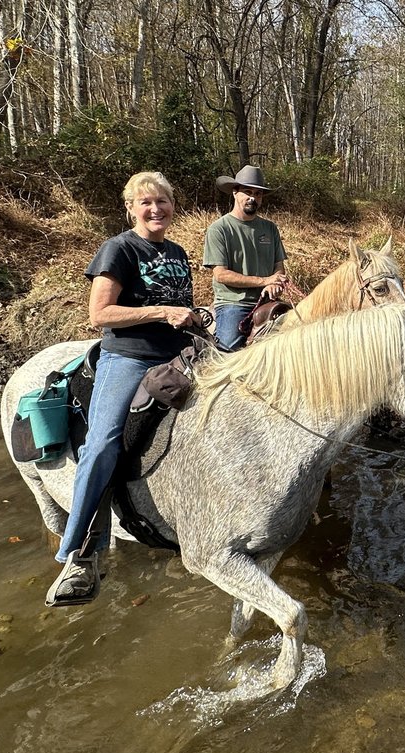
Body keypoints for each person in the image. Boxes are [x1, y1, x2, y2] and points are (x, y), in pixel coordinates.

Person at [46, 172, 198, 606]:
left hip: (180, 353)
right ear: (131, 208)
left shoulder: (176, 251)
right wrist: (160, 310)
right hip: (129, 356)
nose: (156, 210)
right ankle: (78, 553)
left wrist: (189, 319)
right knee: (104, 441)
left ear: (172, 206)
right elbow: (101, 314)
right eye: (146, 203)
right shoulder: (119, 248)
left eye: (163, 202)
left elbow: (179, 307)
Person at [203, 165, 288, 350]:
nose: (253, 198)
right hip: (234, 303)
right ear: (235, 192)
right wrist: (265, 281)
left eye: (258, 194)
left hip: (268, 301)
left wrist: (275, 283)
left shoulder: (270, 228)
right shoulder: (219, 229)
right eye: (247, 192)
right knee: (228, 350)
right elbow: (221, 275)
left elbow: (279, 266)